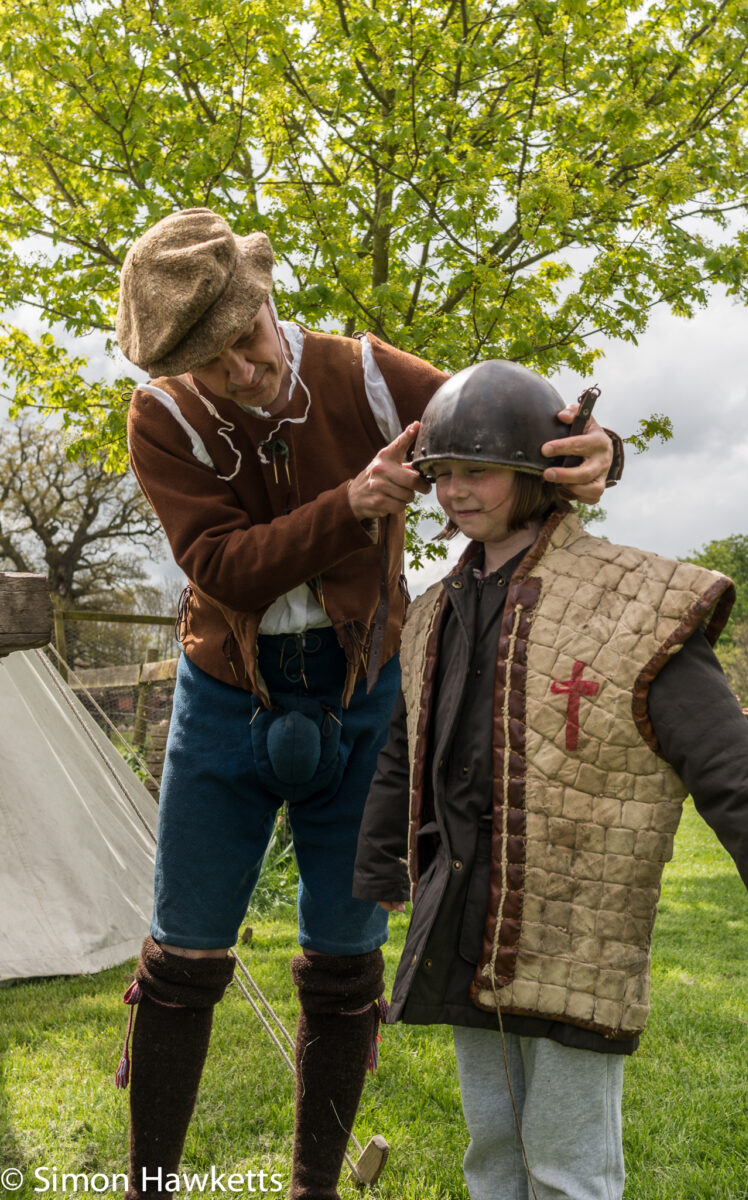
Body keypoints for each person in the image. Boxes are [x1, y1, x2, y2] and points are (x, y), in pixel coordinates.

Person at [112, 208, 620, 1200]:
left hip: (363, 698)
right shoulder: (162, 420)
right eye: (208, 363)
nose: (239, 373)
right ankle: (149, 1191)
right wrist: (347, 505)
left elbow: (515, 437)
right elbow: (220, 569)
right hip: (227, 702)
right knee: (183, 957)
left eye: (245, 343)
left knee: (345, 962)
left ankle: (314, 1192)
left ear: (267, 298)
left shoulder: (369, 376)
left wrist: (591, 452)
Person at [353, 360, 748, 1200]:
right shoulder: (434, 607)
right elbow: (401, 748)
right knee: (491, 1154)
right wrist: (381, 866)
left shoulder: (638, 604)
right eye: (440, 474)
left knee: (566, 1168)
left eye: (475, 470)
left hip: (574, 927)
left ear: (538, 474)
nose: (453, 492)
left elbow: (731, 771)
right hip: (464, 921)